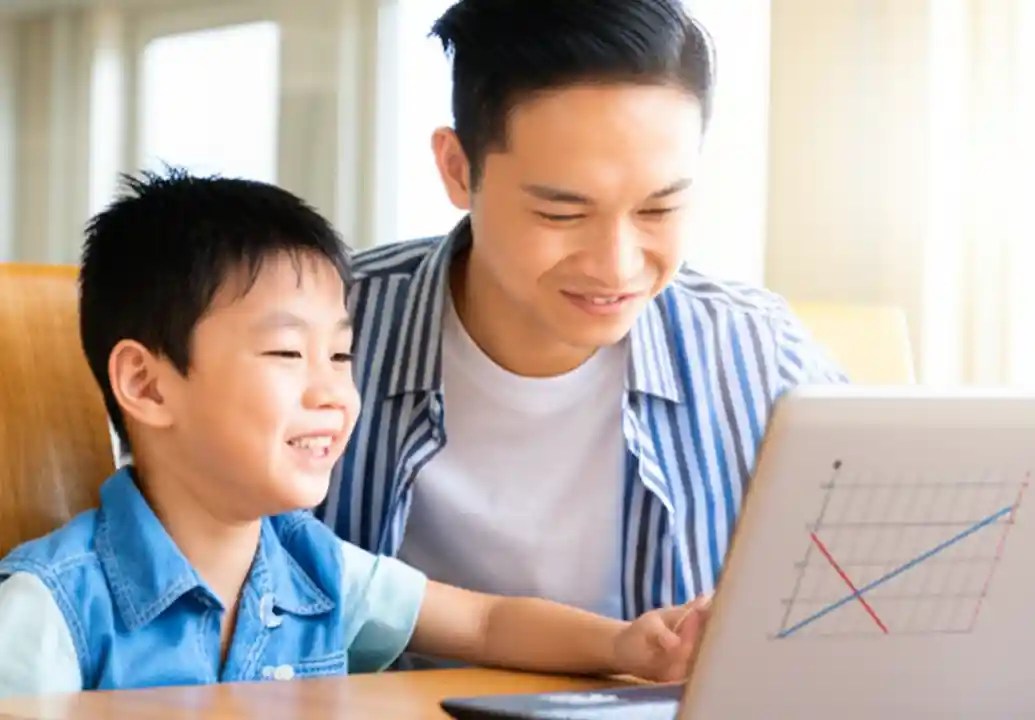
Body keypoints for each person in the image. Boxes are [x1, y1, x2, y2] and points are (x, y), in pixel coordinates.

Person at [0, 171, 709, 699]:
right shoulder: (47, 607)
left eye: (340, 355)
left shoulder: (314, 566)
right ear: (149, 386)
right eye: (286, 354)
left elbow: (487, 624)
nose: (332, 392)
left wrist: (625, 644)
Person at [318, 0, 846, 623]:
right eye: (561, 214)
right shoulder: (327, 327)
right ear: (458, 170)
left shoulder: (759, 354)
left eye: (658, 211)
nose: (616, 266)